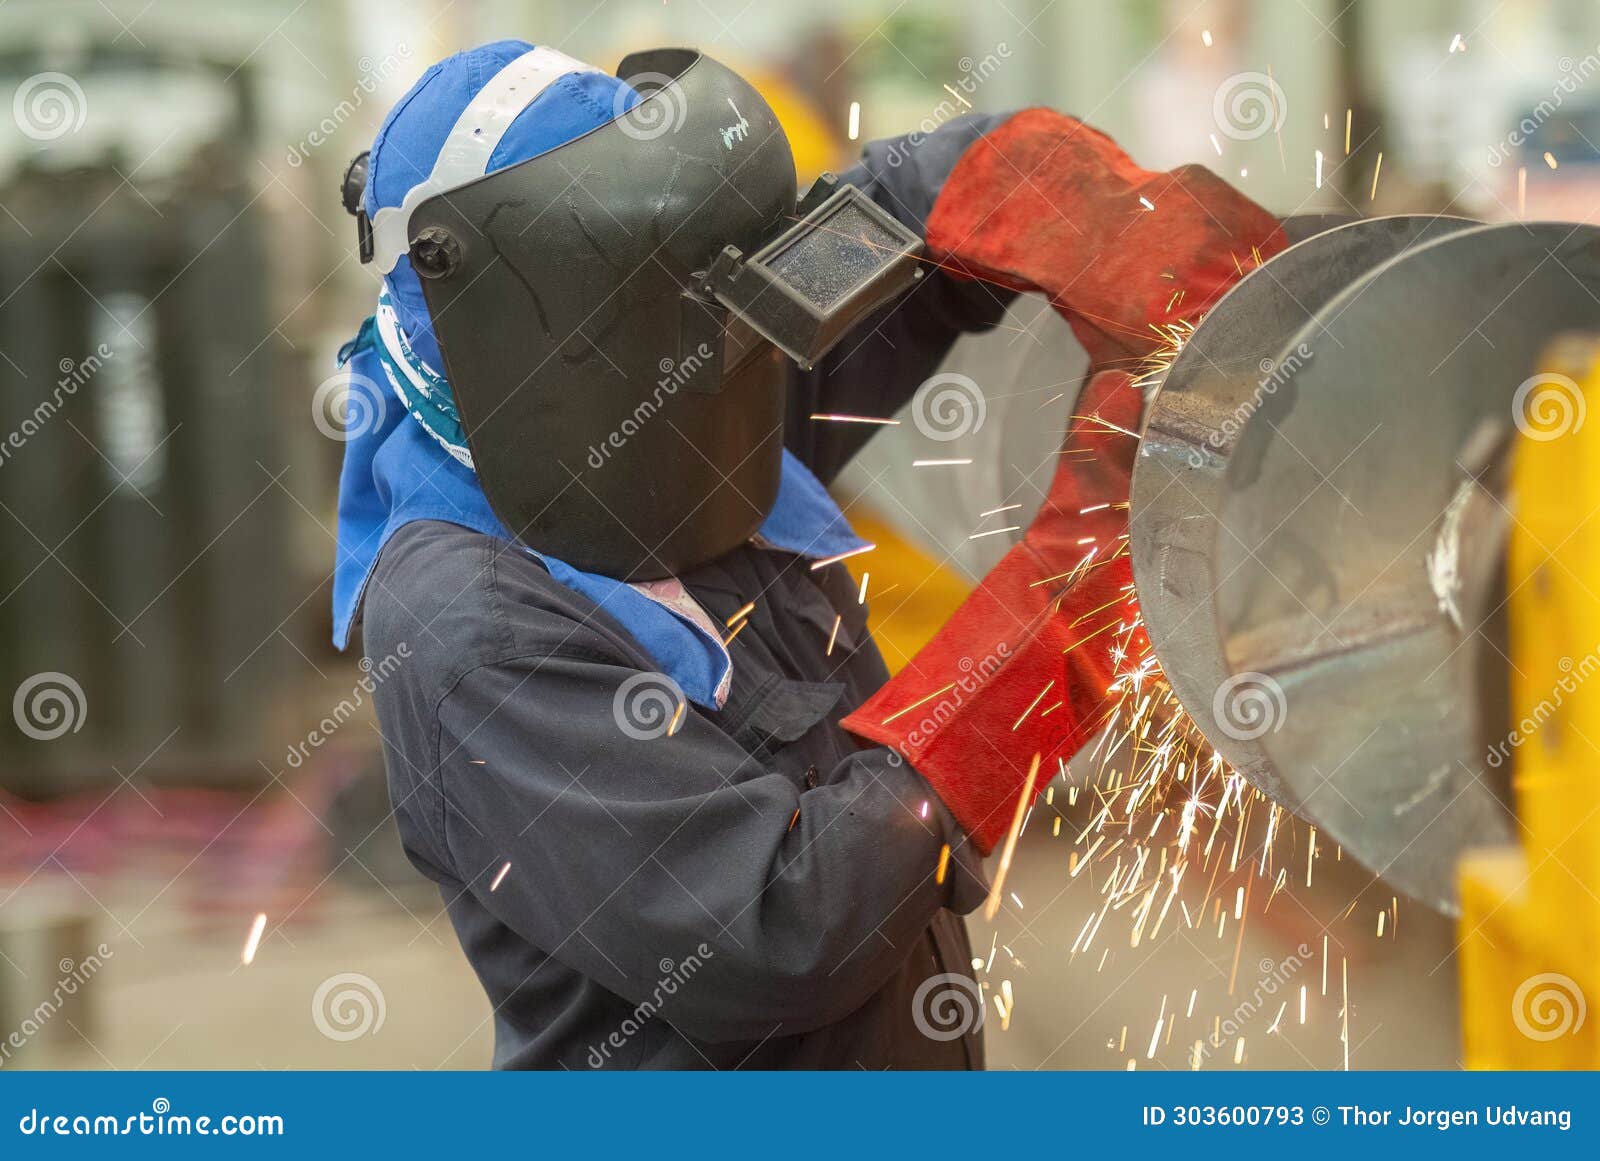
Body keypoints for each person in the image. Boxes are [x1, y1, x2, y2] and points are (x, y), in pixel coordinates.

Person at [331, 39, 1282, 1069]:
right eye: (669, 301)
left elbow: (892, 223)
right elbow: (785, 925)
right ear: (549, 318)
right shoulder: (469, 626)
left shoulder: (668, 379)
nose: (723, 338)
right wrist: (1065, 612)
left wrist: (1049, 186)